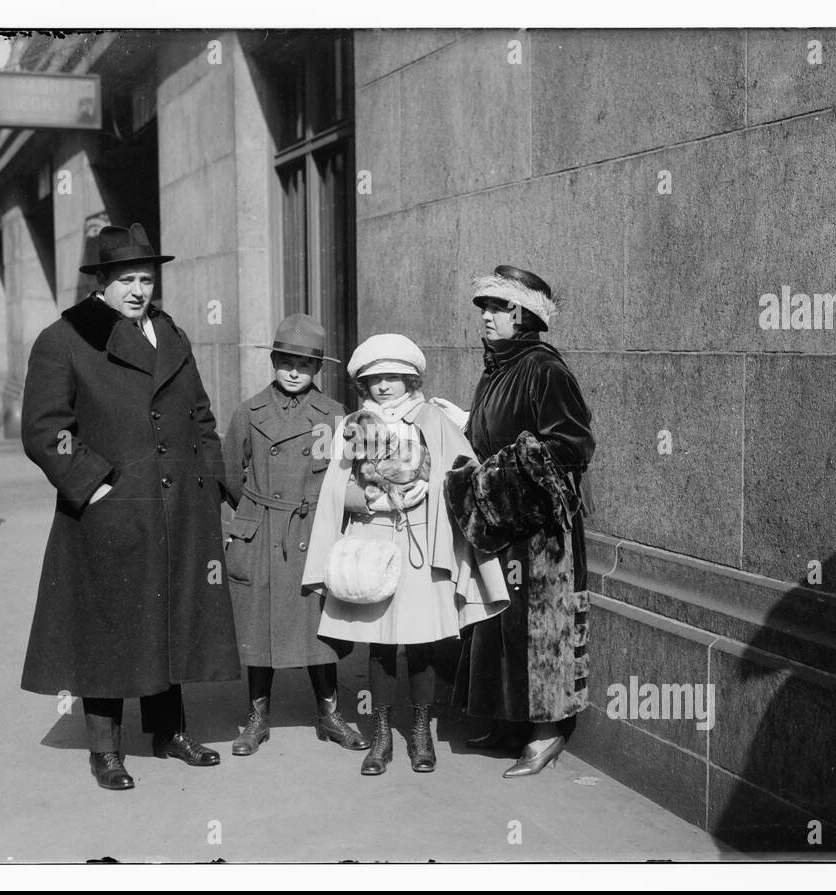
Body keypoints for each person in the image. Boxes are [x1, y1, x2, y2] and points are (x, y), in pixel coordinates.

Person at [20, 223, 240, 791]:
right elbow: (47, 431)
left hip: (180, 510)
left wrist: (214, 483)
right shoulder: (66, 338)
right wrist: (95, 487)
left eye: (146, 278)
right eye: (126, 279)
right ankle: (105, 750)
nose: (139, 290)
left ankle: (169, 732)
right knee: (109, 630)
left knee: (170, 621)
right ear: (101, 282)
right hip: (112, 509)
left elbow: (200, 415)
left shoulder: (168, 332)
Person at [302, 334, 508, 775]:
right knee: (379, 645)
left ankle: (420, 731)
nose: (383, 386)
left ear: (410, 378)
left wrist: (428, 490)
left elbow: (464, 476)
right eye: (374, 379)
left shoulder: (433, 419)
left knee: (423, 645)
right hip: (371, 544)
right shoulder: (354, 424)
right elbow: (336, 488)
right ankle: (380, 735)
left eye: (393, 377)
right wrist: (367, 499)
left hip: (422, 544)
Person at [444, 265, 596, 778]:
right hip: (501, 523)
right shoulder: (497, 368)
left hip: (540, 532)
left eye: (499, 308)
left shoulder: (543, 368)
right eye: (483, 307)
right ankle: (512, 720)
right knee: (502, 623)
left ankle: (547, 730)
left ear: (524, 315)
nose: (486, 317)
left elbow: (571, 446)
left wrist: (496, 478)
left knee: (542, 629)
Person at [222, 314, 368, 756]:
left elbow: (348, 475)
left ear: (317, 370)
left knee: (317, 629)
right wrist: (255, 512)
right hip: (263, 529)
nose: (293, 371)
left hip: (312, 530)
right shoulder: (249, 411)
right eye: (285, 361)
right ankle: (256, 717)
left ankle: (329, 714)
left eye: (303, 365)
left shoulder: (335, 416)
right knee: (258, 629)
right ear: (273, 360)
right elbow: (229, 473)